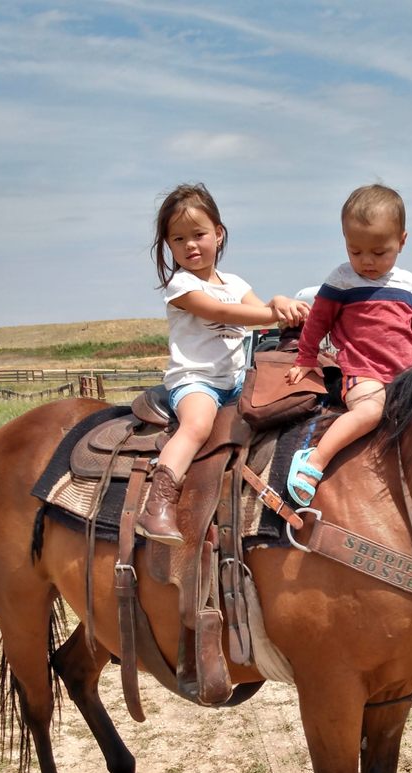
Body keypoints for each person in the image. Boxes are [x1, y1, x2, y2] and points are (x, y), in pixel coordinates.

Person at [136, 183, 309, 544]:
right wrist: (275, 311)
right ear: (169, 246)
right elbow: (224, 311)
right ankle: (157, 505)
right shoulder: (181, 286)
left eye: (198, 234)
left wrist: (279, 304)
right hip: (196, 380)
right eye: (178, 239)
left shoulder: (234, 281)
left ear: (218, 234)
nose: (190, 245)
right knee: (198, 426)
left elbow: (258, 308)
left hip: (235, 381)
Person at [284, 183, 412, 504]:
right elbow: (317, 321)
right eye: (355, 251)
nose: (366, 261)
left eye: (379, 253)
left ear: (402, 241)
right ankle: (315, 461)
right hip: (364, 374)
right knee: (369, 412)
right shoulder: (341, 281)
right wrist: (306, 358)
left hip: (407, 376)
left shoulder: (408, 284)